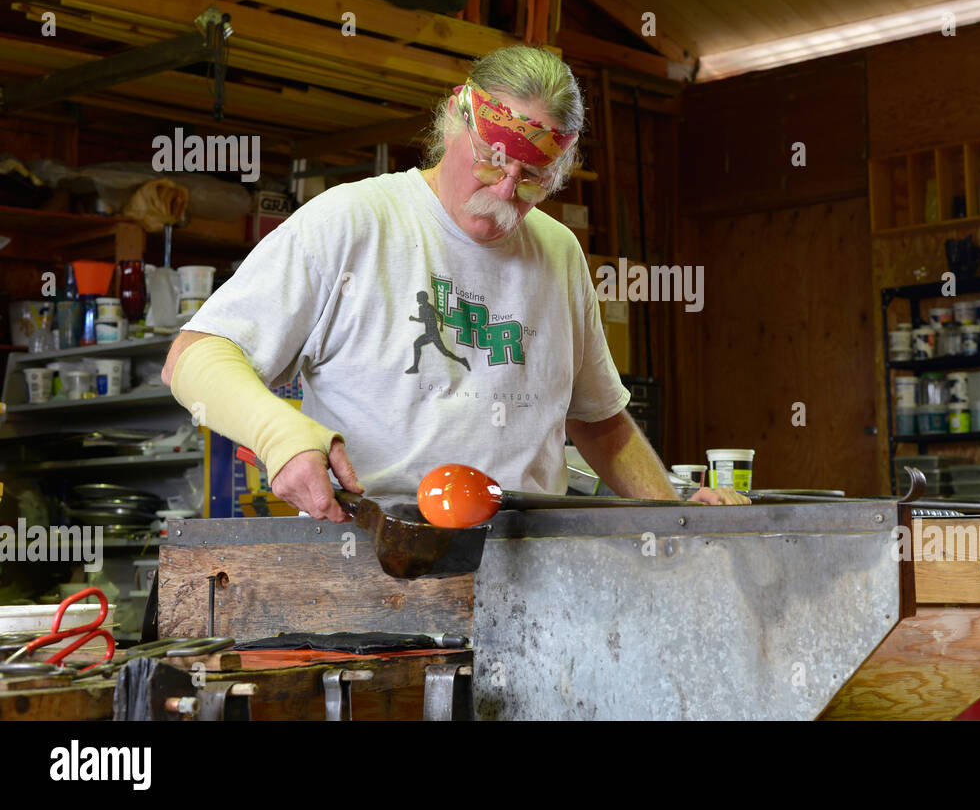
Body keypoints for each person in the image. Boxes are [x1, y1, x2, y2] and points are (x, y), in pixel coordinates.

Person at [162, 45, 748, 522]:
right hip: (372, 558)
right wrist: (280, 436)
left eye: (531, 178)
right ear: (454, 119)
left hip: (533, 572)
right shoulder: (354, 221)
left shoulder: (559, 253)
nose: (502, 189)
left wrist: (677, 518)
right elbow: (193, 357)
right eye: (494, 159)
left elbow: (599, 423)